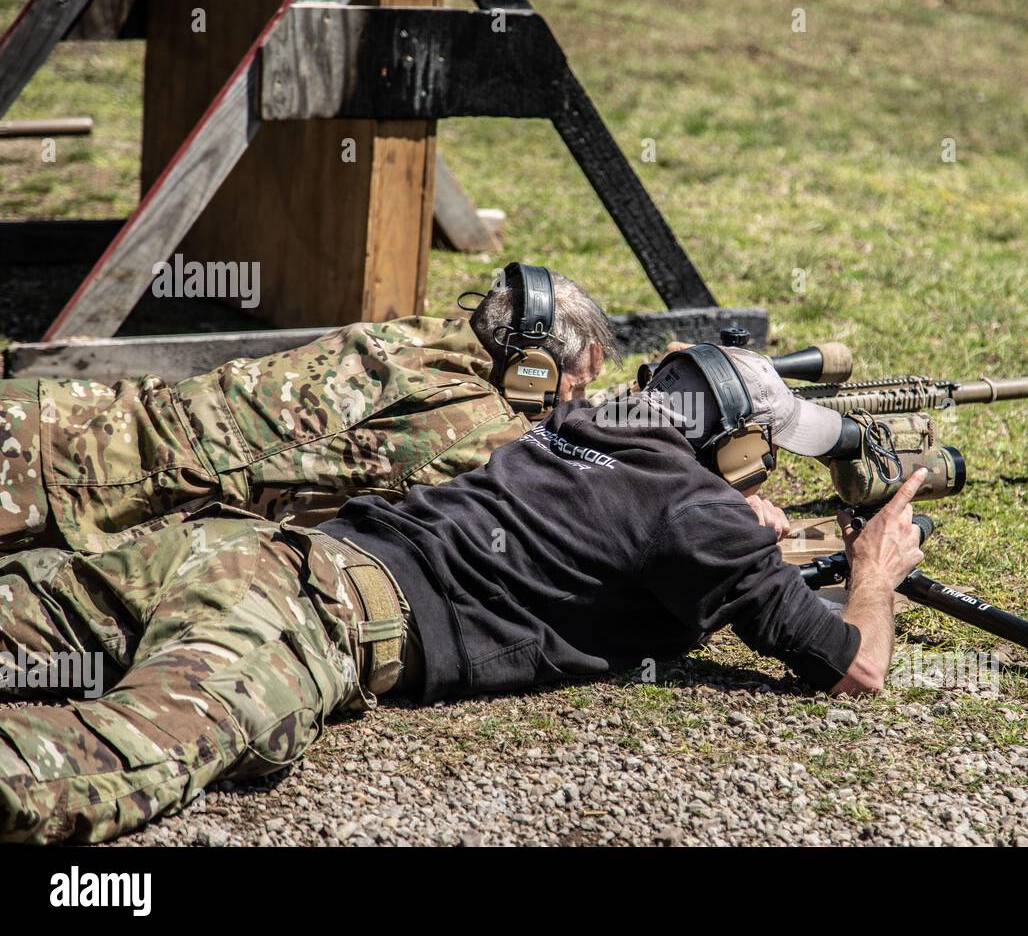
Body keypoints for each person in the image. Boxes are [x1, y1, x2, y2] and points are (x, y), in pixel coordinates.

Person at [0, 342, 925, 844]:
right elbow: (855, 669)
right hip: (307, 613)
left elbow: (631, 507)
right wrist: (874, 569)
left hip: (224, 551)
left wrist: (733, 517)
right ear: (733, 452)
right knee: (113, 761)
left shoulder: (580, 420)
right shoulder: (699, 515)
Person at [0, 266, 614, 553]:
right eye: (573, 386)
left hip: (56, 413)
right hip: (76, 484)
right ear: (528, 366)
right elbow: (562, 494)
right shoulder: (471, 428)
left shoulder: (415, 336)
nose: (574, 403)